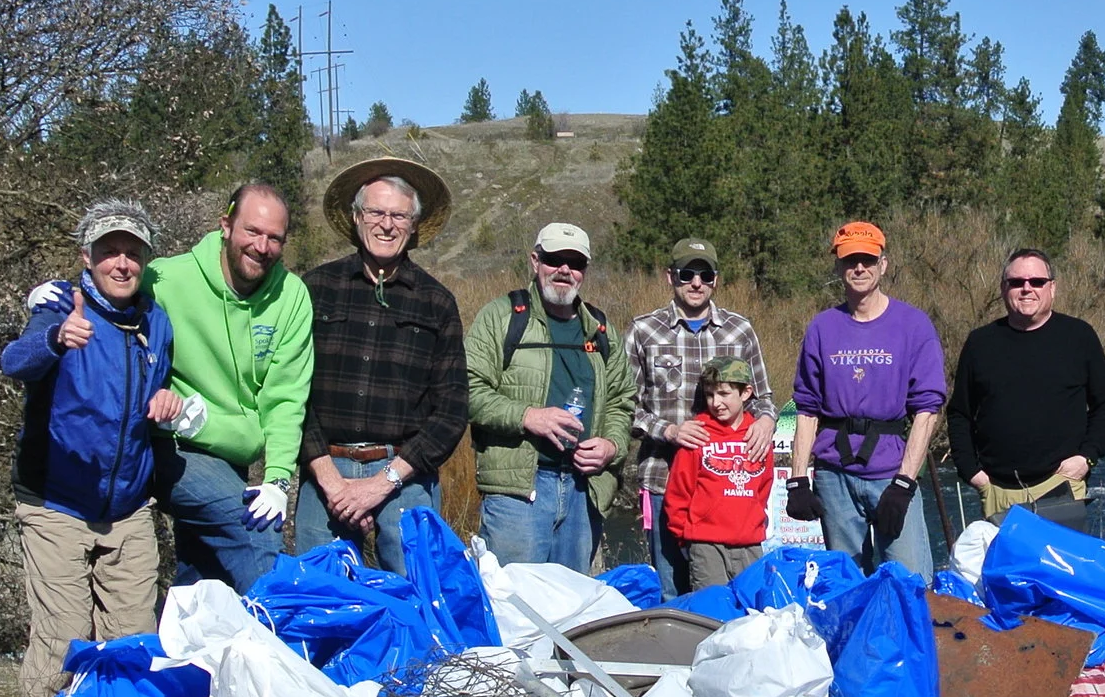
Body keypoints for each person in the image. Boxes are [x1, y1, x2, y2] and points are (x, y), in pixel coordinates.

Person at [0, 201, 195, 697]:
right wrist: (57, 338)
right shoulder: (61, 305)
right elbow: (15, 362)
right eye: (110, 250)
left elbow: (157, 398)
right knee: (62, 635)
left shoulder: (156, 323)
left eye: (132, 251)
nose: (122, 262)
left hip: (129, 508)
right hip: (56, 502)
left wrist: (169, 407)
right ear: (87, 257)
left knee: (133, 641)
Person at [294, 158, 469, 575]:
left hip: (403, 475)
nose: (386, 224)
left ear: (413, 226)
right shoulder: (314, 289)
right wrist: (332, 482)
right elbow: (290, 390)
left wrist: (381, 483)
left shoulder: (437, 302)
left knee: (420, 599)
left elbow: (451, 411)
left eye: (398, 215)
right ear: (357, 217)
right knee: (320, 603)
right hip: (325, 471)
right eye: (376, 212)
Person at [142, 182, 315, 590]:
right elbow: (113, 284)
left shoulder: (290, 297)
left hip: (233, 452)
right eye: (252, 231)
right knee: (253, 531)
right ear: (226, 225)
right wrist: (63, 300)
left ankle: (198, 647)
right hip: (173, 445)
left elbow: (286, 399)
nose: (262, 246)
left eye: (274, 238)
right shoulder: (168, 278)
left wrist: (277, 480)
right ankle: (288, 640)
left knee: (204, 575)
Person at [464, 220, 634, 569]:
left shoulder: (601, 330)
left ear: (584, 271)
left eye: (575, 263)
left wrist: (612, 447)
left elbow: (621, 400)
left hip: (582, 492)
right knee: (516, 608)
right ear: (535, 261)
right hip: (517, 496)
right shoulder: (501, 317)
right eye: (555, 259)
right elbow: (467, 389)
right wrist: (528, 416)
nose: (564, 270)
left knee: (573, 612)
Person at [785, 221, 946, 573]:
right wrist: (797, 480)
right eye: (850, 260)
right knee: (846, 582)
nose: (859, 268)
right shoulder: (822, 327)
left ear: (883, 264)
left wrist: (904, 483)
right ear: (839, 266)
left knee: (910, 577)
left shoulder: (913, 325)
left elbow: (927, 410)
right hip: (834, 476)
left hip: (890, 471)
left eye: (868, 260)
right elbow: (807, 407)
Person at [624, 236, 776, 597]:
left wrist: (767, 422)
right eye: (686, 274)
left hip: (727, 493)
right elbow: (622, 405)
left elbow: (764, 398)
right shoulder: (644, 330)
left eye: (705, 275)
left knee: (741, 598)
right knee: (672, 592)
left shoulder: (740, 330)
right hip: (664, 482)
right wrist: (670, 431)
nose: (696, 283)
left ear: (716, 280)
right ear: (670, 277)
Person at [945, 247, 1105, 530]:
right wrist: (973, 473)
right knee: (1004, 575)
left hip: (1062, 486)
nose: (1027, 289)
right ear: (1003, 288)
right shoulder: (980, 343)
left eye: (1037, 282)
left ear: (1052, 288)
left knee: (1063, 573)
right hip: (997, 492)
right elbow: (959, 413)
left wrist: (1086, 457)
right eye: (1017, 282)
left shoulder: (1079, 336)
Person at [663, 357, 772, 591]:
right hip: (706, 545)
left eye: (724, 394)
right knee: (711, 613)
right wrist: (686, 536)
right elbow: (678, 492)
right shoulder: (698, 434)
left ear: (746, 393)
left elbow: (763, 486)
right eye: (710, 395)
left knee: (752, 613)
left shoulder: (758, 436)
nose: (716, 403)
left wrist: (753, 521)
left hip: (749, 544)